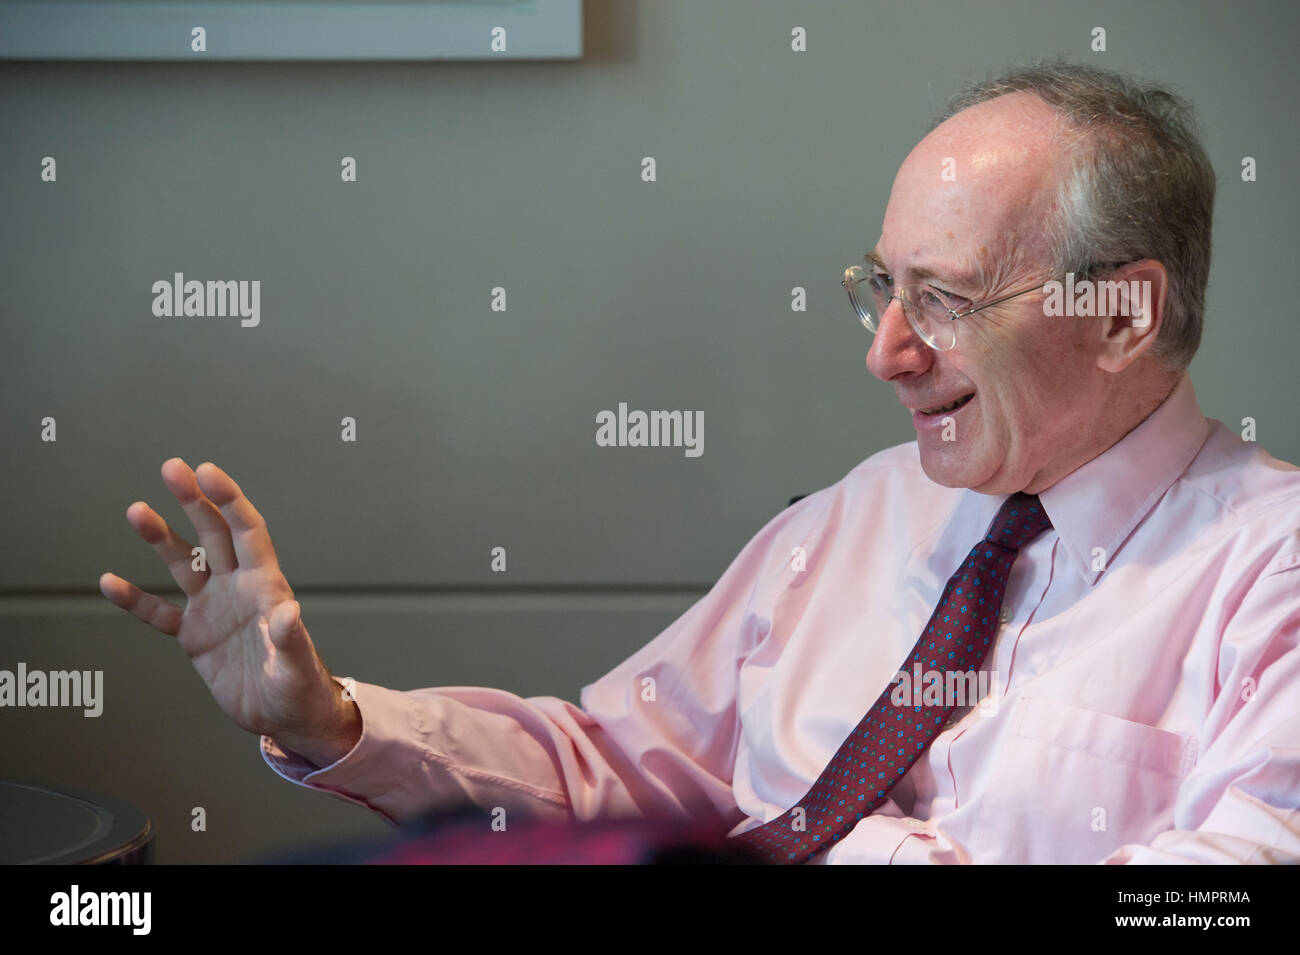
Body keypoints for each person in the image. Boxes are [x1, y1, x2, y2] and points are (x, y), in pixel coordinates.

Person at [100, 61, 1300, 864]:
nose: (885, 351)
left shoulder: (1269, 570)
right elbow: (616, 763)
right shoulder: (860, 515)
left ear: (1120, 315)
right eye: (880, 286)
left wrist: (875, 852)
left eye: (943, 297)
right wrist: (333, 716)